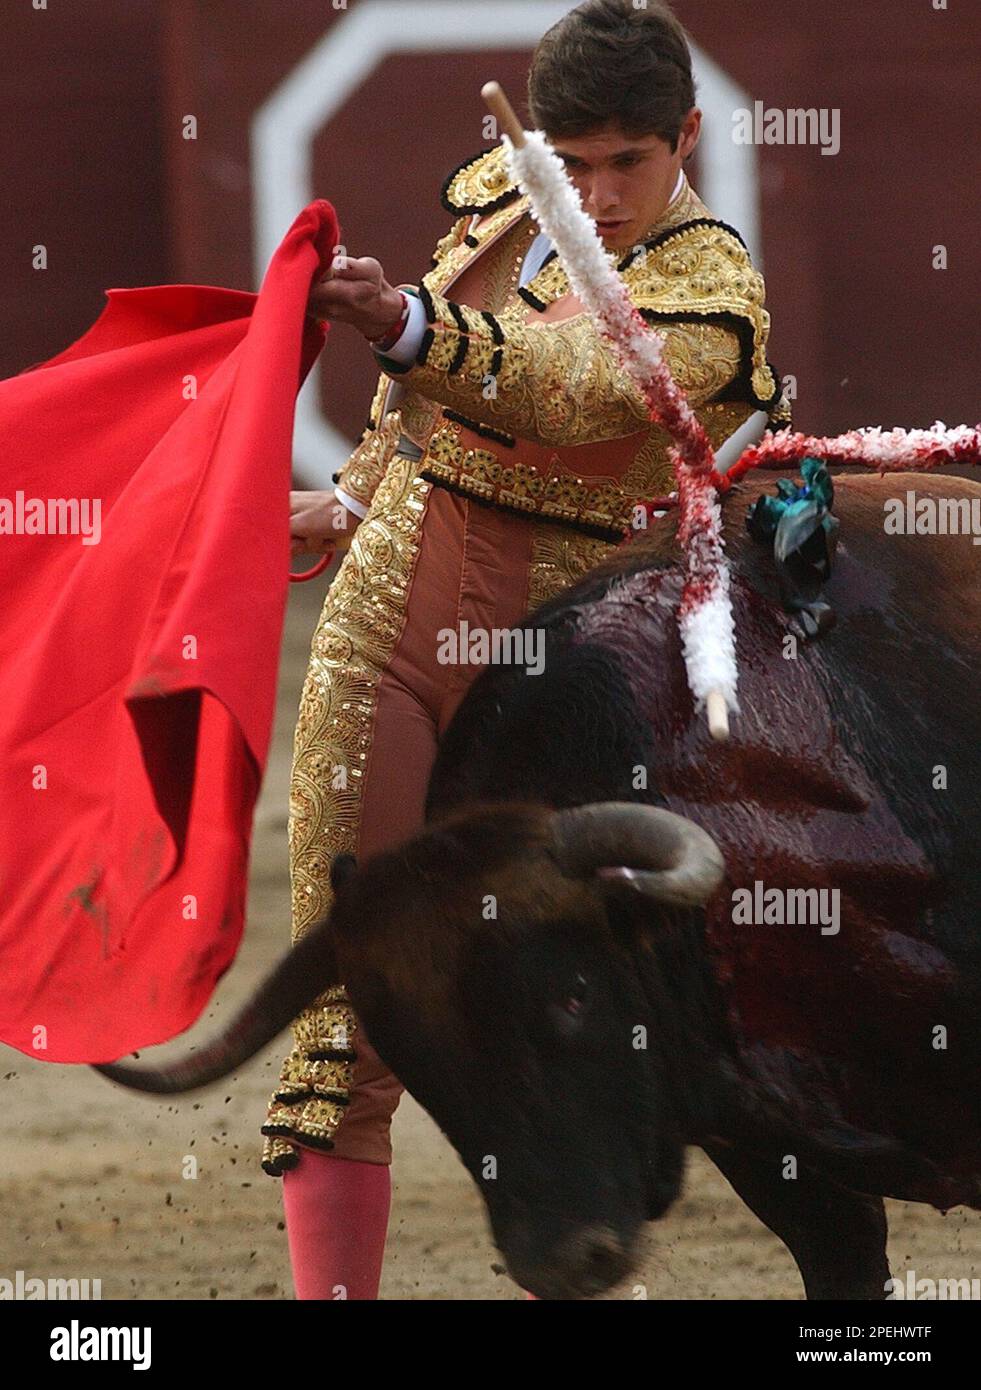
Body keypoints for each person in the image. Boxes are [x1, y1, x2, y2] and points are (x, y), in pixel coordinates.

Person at [263, 0, 791, 1299]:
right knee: (351, 991)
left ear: (687, 137)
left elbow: (581, 381)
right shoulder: (505, 200)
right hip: (404, 606)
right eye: (574, 163)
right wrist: (357, 488)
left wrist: (404, 327)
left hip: (576, 664)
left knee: (603, 986)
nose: (598, 196)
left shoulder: (711, 279)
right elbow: (420, 397)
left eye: (628, 161)